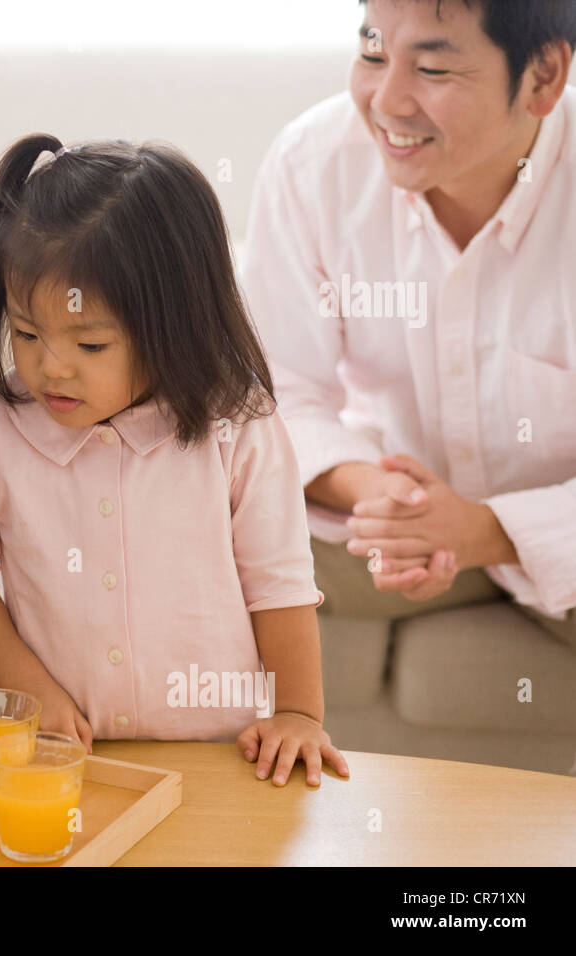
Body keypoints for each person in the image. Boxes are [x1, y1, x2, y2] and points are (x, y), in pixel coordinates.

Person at [0, 134, 351, 787]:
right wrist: (26, 689)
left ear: (175, 325)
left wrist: (297, 711)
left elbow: (279, 581)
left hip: (221, 753)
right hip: (61, 756)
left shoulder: (238, 428)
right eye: (27, 333)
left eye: (90, 344)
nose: (49, 367)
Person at [241, 0, 576, 643]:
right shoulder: (314, 164)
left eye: (431, 68)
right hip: (389, 524)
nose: (386, 101)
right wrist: (384, 499)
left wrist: (485, 531)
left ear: (543, 77)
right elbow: (276, 390)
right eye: (372, 53)